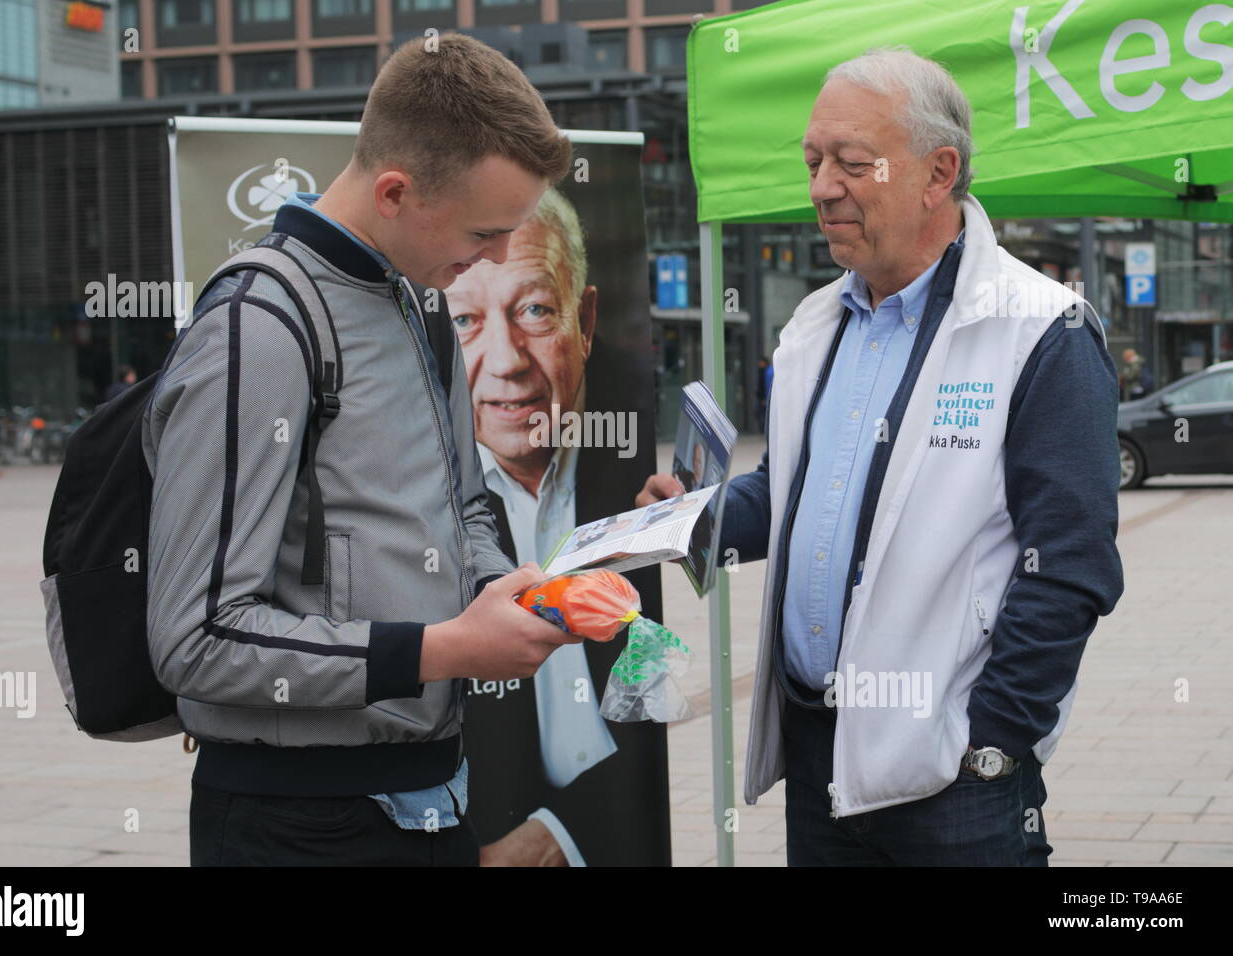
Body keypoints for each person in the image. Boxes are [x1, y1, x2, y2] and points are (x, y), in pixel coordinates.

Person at [637, 47, 1123, 865]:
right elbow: (798, 489)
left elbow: (1070, 568)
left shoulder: (1042, 329)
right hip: (819, 755)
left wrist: (992, 745)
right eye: (813, 161)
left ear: (939, 173)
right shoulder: (816, 326)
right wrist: (703, 518)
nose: (822, 185)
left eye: (852, 163)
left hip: (954, 779)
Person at [143, 33, 580, 867]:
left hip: (433, 797)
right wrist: (447, 649)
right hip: (298, 824)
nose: (494, 257)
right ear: (394, 191)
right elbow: (195, 638)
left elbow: (466, 506)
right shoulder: (257, 332)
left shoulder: (422, 309)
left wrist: (504, 594)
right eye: (486, 231)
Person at [444, 188, 669, 866]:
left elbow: (651, 690)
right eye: (465, 323)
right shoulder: (415, 485)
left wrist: (561, 833)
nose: (507, 360)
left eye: (536, 311)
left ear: (586, 319)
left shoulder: (628, 459)